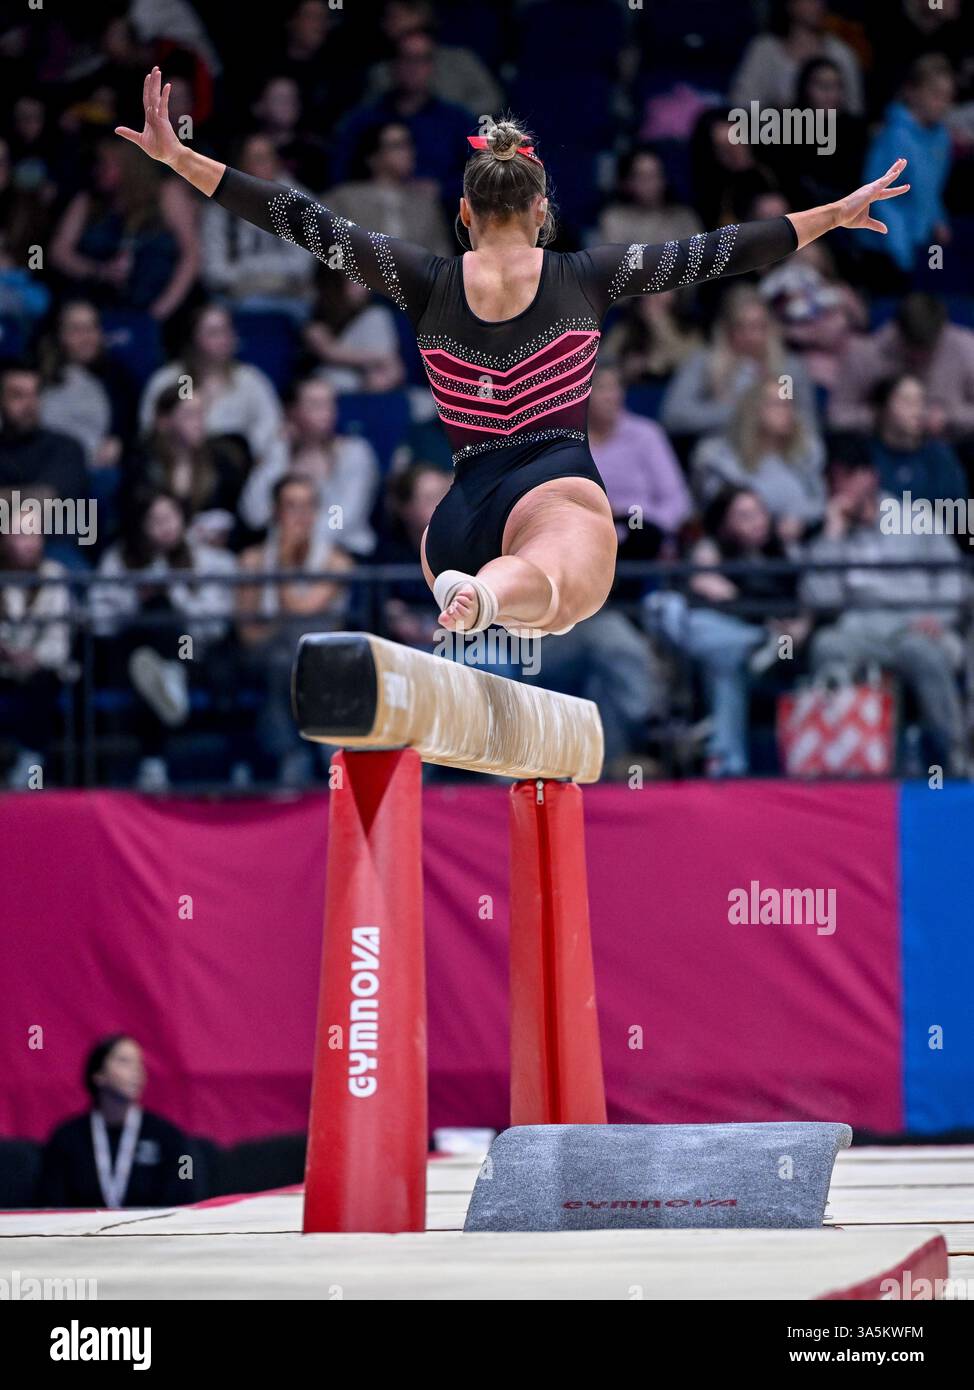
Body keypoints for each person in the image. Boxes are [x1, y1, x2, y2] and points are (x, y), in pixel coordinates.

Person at [117, 69, 911, 638]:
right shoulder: (587, 274)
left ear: (463, 213)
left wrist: (180, 160)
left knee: (543, 609)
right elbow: (719, 251)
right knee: (572, 595)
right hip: (551, 486)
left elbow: (300, 218)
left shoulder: (423, 276)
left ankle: (478, 592)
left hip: (456, 520)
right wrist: (833, 213)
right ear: (542, 211)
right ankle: (491, 598)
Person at [802, 453, 968, 775]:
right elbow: (821, 600)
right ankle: (846, 764)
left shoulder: (914, 516)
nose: (841, 488)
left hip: (920, 626)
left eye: (848, 476)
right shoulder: (827, 533)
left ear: (871, 476)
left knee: (921, 652)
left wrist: (939, 617)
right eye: (834, 480)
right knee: (826, 646)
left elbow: (955, 578)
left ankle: (955, 761)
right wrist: (832, 536)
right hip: (862, 630)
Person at [649, 487, 809, 777]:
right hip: (737, 646)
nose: (757, 521)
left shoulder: (783, 556)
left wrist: (735, 599)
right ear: (725, 523)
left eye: (759, 513)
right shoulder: (711, 553)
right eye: (745, 516)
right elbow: (692, 605)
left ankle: (725, 763)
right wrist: (756, 622)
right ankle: (728, 766)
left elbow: (792, 610)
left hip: (774, 660)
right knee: (662, 607)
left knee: (725, 658)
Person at [237, 473, 353, 784]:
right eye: (290, 506)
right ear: (275, 512)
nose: (300, 517)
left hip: (324, 659)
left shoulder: (337, 563)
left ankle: (295, 756)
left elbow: (301, 610)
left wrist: (285, 563)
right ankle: (307, 753)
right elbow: (247, 635)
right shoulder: (252, 560)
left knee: (298, 652)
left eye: (306, 507)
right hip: (267, 654)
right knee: (284, 657)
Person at [36, 1035, 200, 1208]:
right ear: (98, 1074)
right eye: (124, 1061)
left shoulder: (167, 1137)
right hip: (81, 1233)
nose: (136, 1070)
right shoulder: (67, 1138)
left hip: (150, 1233)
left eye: (139, 1063)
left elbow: (184, 1194)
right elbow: (50, 1202)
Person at [691, 375, 826, 541]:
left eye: (789, 404)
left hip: (798, 546)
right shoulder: (719, 458)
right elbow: (717, 510)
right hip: (736, 548)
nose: (787, 411)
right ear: (753, 410)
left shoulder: (805, 454)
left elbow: (819, 502)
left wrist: (800, 519)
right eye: (777, 404)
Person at [0, 504, 72, 788]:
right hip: (3, 667)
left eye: (33, 534)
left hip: (40, 670)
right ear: (4, 539)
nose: (28, 542)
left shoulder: (55, 576)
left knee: (43, 684)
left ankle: (30, 770)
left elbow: (60, 638)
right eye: (20, 534)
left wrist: (35, 657)